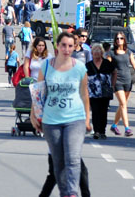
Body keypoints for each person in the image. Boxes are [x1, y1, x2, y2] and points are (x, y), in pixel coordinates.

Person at [30, 32, 91, 197]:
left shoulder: (79, 67)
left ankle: (72, 193)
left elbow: (84, 94)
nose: (67, 49)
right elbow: (38, 92)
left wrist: (87, 118)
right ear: (57, 46)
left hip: (75, 119)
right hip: (51, 120)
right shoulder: (47, 66)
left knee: (72, 157)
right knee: (58, 162)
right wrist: (33, 114)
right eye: (63, 45)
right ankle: (65, 193)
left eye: (70, 46)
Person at [108, 32, 135, 136]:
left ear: (124, 40)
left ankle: (114, 125)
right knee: (123, 104)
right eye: (117, 38)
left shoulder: (128, 52)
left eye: (121, 38)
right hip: (117, 81)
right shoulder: (111, 53)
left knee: (122, 105)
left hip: (128, 80)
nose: (119, 40)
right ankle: (127, 128)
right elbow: (107, 66)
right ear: (115, 41)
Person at [85, 44, 115, 139]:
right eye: (95, 51)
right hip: (93, 92)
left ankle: (102, 130)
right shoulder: (88, 65)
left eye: (99, 51)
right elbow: (84, 77)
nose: (97, 53)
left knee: (103, 111)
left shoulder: (107, 63)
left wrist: (113, 85)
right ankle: (97, 131)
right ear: (92, 53)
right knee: (95, 111)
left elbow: (114, 72)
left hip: (105, 91)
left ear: (102, 53)